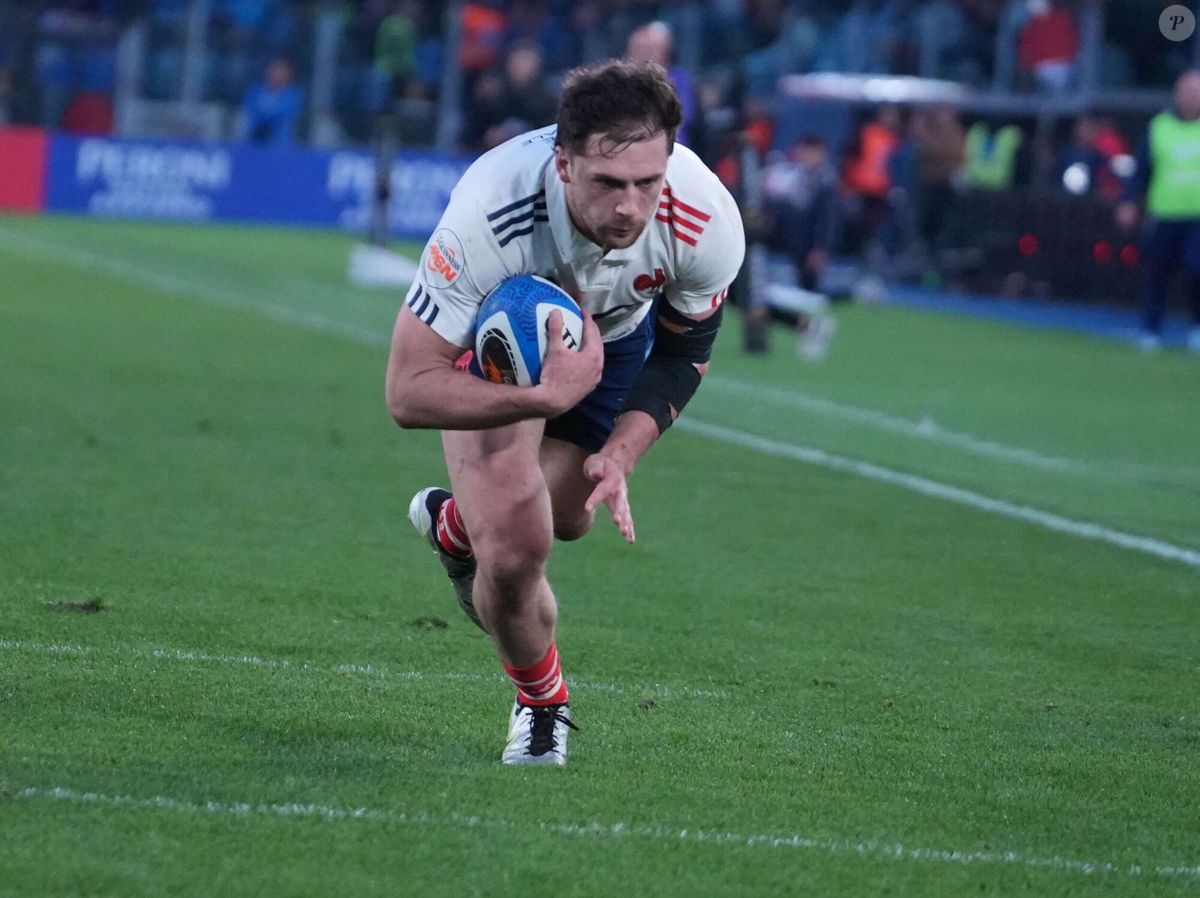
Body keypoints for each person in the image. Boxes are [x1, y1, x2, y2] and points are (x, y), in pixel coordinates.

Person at [386, 60, 744, 766]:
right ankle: (543, 705)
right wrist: (541, 397)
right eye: (609, 184)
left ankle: (458, 524)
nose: (631, 208)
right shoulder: (490, 211)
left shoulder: (706, 218)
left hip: (610, 343)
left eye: (649, 182)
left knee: (567, 520)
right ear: (564, 161)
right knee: (518, 552)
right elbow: (406, 391)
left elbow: (683, 353)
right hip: (497, 353)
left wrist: (622, 452)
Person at [1117, 70, 1200, 352]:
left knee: (1196, 270)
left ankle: (1196, 328)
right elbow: (1141, 170)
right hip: (1164, 213)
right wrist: (1129, 201)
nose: (1193, 99)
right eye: (1189, 93)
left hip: (1197, 216)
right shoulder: (1159, 126)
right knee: (1157, 272)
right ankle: (1150, 330)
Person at [240, 58, 303, 144]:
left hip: (279, 141)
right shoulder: (255, 92)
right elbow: (250, 110)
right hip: (254, 137)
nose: (277, 74)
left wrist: (265, 117)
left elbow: (284, 114)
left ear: (288, 74)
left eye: (281, 72)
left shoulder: (293, 95)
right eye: (275, 70)